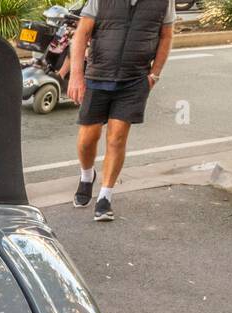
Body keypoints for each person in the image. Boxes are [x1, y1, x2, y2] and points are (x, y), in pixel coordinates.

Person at [67, 0, 175, 223]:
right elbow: (82, 33)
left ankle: (105, 197)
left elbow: (166, 36)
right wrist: (76, 75)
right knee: (88, 138)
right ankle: (87, 176)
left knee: (117, 138)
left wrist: (154, 74)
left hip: (134, 80)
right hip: (97, 76)